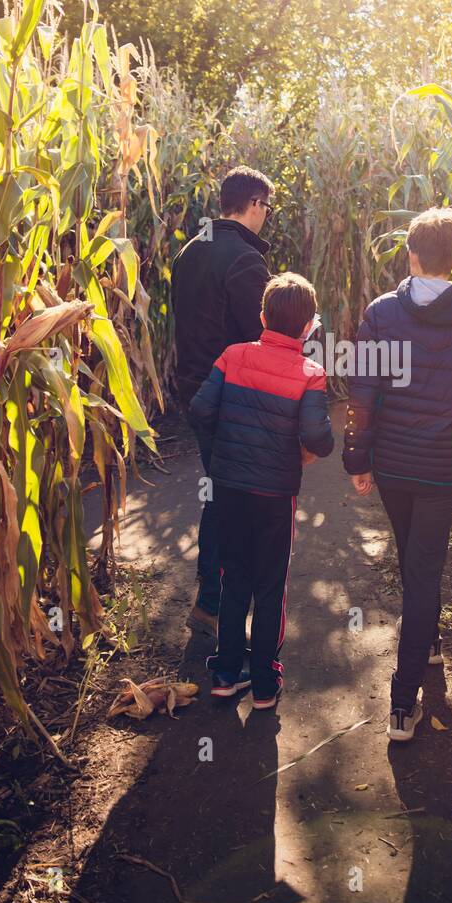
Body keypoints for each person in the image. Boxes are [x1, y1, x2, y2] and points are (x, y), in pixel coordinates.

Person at [343, 207, 452, 741]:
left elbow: (362, 391)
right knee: (422, 565)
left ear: (411, 254)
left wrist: (358, 458)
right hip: (443, 464)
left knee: (415, 561)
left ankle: (403, 701)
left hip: (396, 465)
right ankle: (420, 656)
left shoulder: (381, 313)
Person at [188, 273, 334, 708]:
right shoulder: (310, 373)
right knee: (271, 586)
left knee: (233, 578)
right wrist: (302, 449)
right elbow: (320, 438)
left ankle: (226, 673)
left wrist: (226, 452)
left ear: (262, 316)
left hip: (229, 489)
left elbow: (200, 411)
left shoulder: (232, 356)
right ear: (308, 327)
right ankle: (266, 685)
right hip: (276, 495)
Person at [171, 166, 274, 645]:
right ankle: (216, 605)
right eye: (267, 207)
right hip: (232, 395)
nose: (267, 217)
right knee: (234, 498)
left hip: (194, 390)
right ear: (254, 204)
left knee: (218, 489)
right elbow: (263, 338)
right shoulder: (245, 261)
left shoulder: (190, 253)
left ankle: (211, 601)